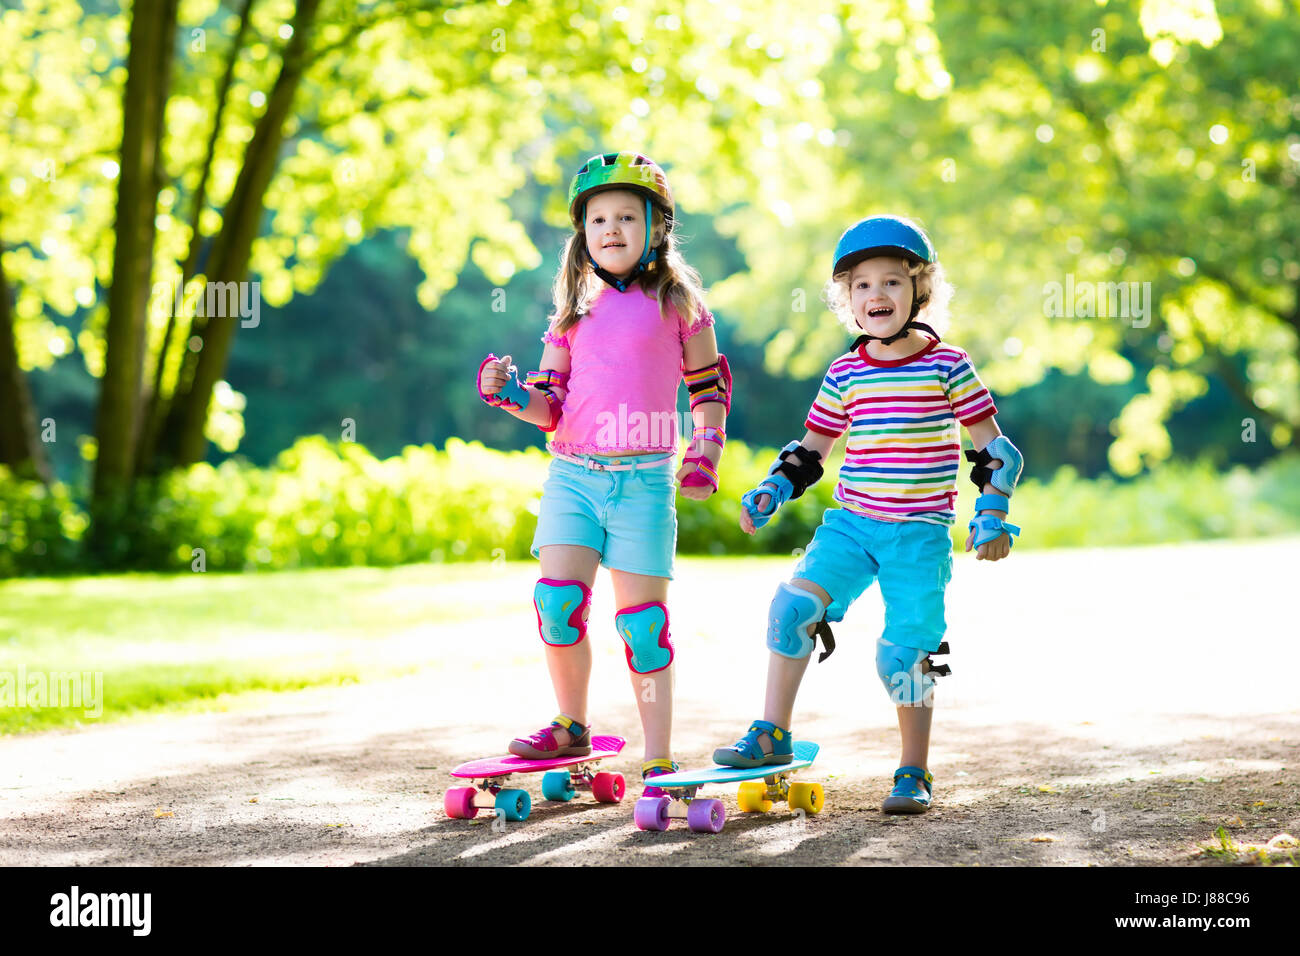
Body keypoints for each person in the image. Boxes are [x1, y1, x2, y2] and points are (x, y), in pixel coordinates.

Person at [714, 215, 1022, 814]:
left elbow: (993, 450)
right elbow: (811, 451)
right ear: (846, 298)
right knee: (792, 607)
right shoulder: (845, 372)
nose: (875, 294)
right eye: (860, 285)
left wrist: (991, 512)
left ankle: (913, 770)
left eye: (891, 282)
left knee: (903, 656)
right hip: (851, 526)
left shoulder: (947, 365)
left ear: (920, 292)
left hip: (919, 535)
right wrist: (774, 488)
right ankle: (771, 733)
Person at [476, 151, 731, 795]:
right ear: (581, 233)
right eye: (597, 219)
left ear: (657, 227)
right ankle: (571, 725)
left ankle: (660, 758)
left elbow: (708, 388)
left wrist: (705, 452)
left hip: (644, 480)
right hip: (572, 478)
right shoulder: (571, 312)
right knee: (557, 606)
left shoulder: (679, 303)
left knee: (644, 626)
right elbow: (549, 406)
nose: (610, 229)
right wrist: (508, 394)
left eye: (626, 216)